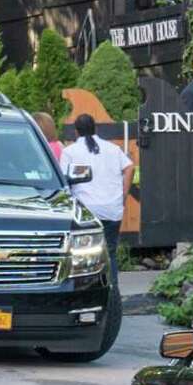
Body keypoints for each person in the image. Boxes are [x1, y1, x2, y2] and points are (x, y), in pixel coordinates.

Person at [65, 114, 132, 287]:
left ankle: (87, 290)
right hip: (112, 209)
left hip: (86, 211)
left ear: (76, 131)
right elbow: (129, 167)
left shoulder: (70, 152)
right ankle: (112, 292)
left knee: (83, 255)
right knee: (110, 253)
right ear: (95, 128)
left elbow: (64, 179)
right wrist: (123, 194)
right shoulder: (112, 148)